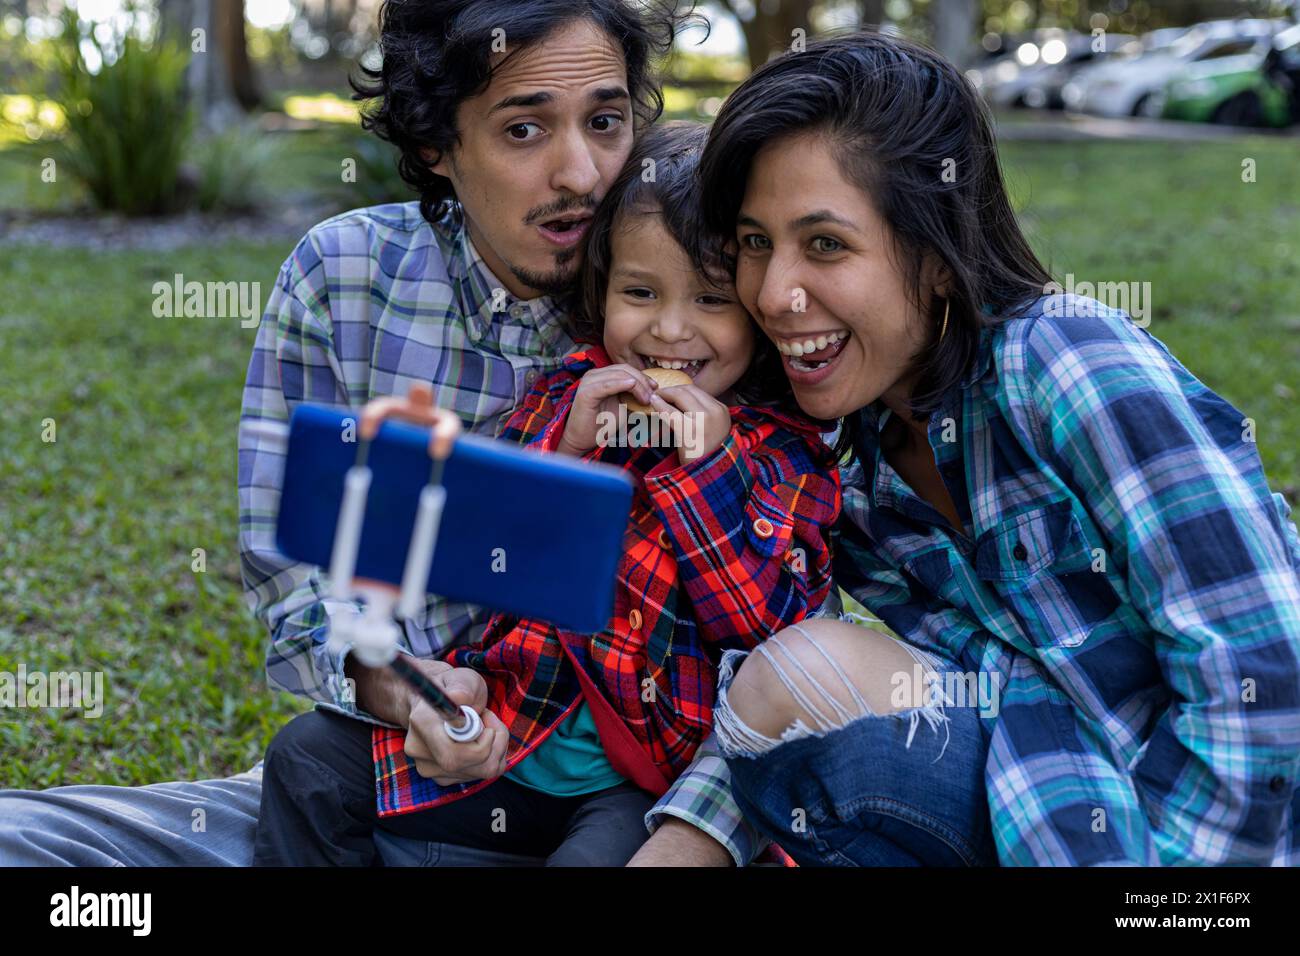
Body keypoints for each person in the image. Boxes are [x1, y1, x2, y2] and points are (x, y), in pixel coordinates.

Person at [0, 0, 742, 867]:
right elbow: (293, 580)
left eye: (606, 122)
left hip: (635, 814)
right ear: (437, 144)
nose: (582, 172)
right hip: (399, 778)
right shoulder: (345, 280)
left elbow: (779, 653)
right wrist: (406, 690)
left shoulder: (702, 319)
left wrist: (692, 834)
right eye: (524, 129)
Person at [631, 31, 1300, 867]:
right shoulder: (847, 461)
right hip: (1050, 794)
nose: (772, 293)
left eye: (827, 244)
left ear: (939, 257)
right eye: (756, 242)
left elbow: (1261, 668)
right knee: (798, 677)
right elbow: (780, 689)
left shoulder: (1065, 360)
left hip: (1230, 833)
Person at [253, 122, 841, 865]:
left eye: (710, 300)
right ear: (602, 291)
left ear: (755, 312)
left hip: (646, 783)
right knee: (307, 759)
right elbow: (493, 560)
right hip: (511, 737)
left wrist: (704, 471)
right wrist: (565, 452)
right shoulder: (570, 395)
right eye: (639, 292)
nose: (669, 329)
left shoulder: (783, 452)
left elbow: (760, 629)